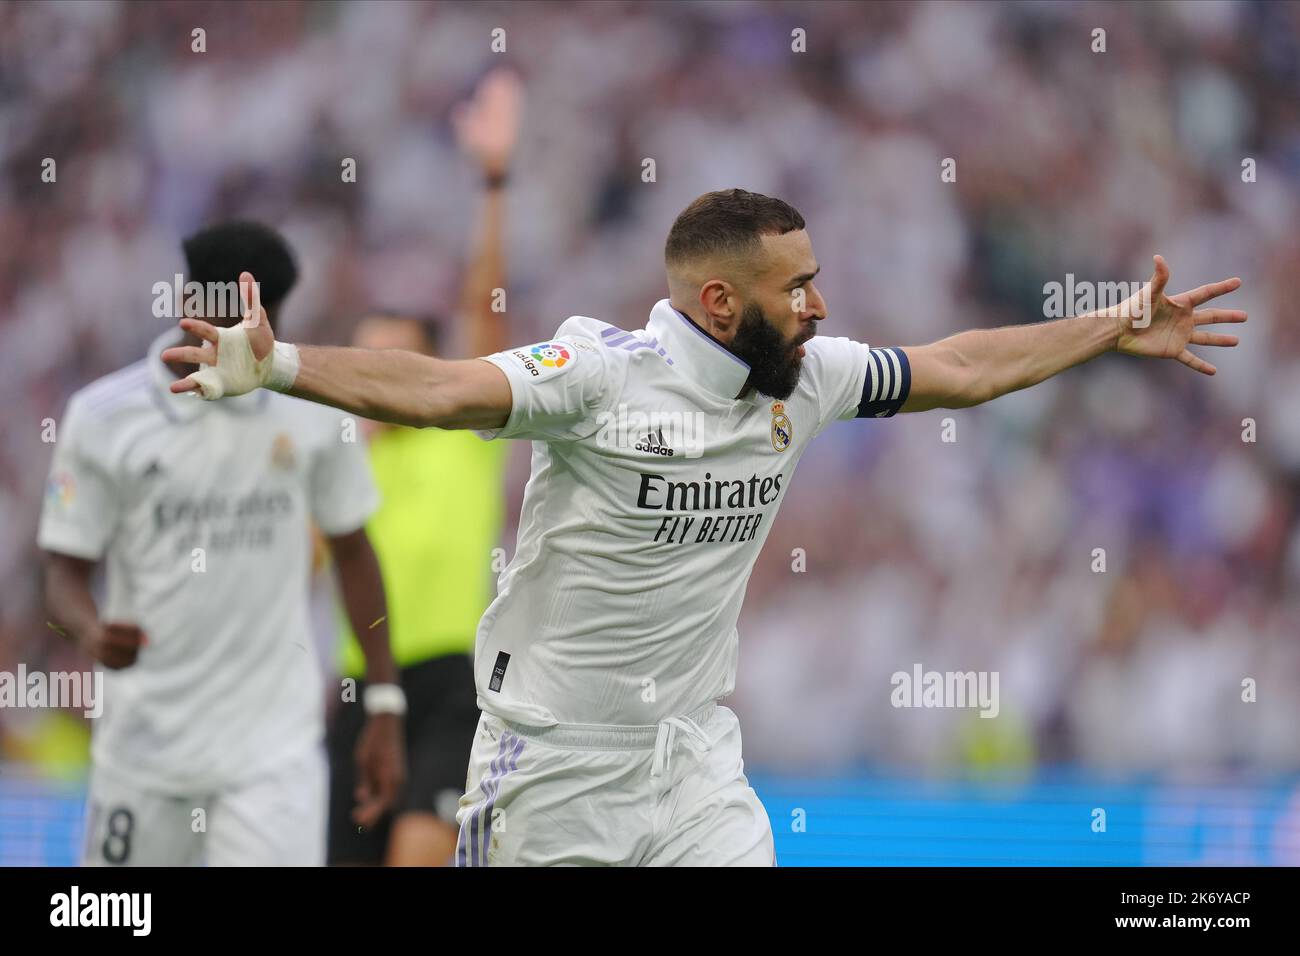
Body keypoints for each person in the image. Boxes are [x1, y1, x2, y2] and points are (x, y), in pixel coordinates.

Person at [160, 188, 1247, 866]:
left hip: (689, 761)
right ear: (721, 302)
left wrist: (1110, 326)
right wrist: (284, 365)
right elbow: (441, 387)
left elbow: (956, 368)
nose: (820, 306)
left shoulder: (809, 377)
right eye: (799, 287)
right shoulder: (596, 374)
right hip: (551, 773)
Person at [40, 221, 404, 866]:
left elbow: (353, 549)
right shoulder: (103, 417)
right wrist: (91, 632)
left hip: (273, 756)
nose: (261, 338)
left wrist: (382, 701)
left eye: (273, 319)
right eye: (246, 318)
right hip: (144, 751)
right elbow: (64, 570)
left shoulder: (314, 410)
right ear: (192, 307)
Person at [327, 69, 517, 867]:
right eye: (363, 364)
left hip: (447, 681)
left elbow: (484, 303)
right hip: (357, 687)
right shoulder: (335, 455)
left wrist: (494, 182)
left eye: (394, 362)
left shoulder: (459, 429)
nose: (377, 379)